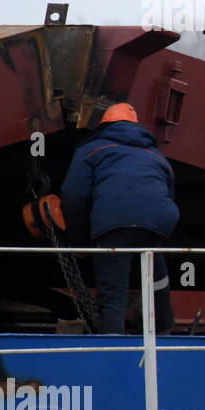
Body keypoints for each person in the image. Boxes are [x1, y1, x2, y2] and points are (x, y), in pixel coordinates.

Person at [59, 103, 179, 334]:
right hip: (159, 222)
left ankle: (114, 349)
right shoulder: (156, 155)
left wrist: (79, 243)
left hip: (114, 222)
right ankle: (164, 328)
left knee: (113, 294)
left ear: (103, 125)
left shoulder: (91, 149)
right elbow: (168, 195)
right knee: (155, 270)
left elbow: (74, 197)